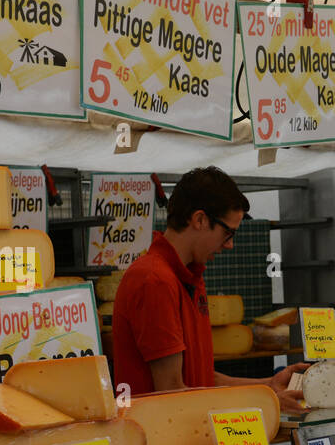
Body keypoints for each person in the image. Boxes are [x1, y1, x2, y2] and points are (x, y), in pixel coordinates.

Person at [112, 166, 306, 409]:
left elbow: (201, 380)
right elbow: (172, 390)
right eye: (228, 233)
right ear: (200, 220)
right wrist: (266, 401)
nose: (230, 245)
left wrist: (268, 385)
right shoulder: (154, 280)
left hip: (187, 438)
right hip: (158, 443)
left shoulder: (189, 277)